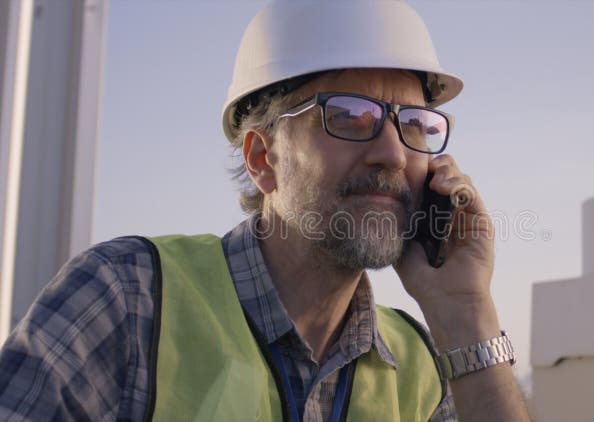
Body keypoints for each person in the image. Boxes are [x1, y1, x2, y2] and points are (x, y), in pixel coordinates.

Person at [0, 1, 530, 421]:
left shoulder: (421, 368)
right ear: (262, 159)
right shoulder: (127, 300)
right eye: (348, 114)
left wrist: (465, 312)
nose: (393, 153)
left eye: (413, 123)